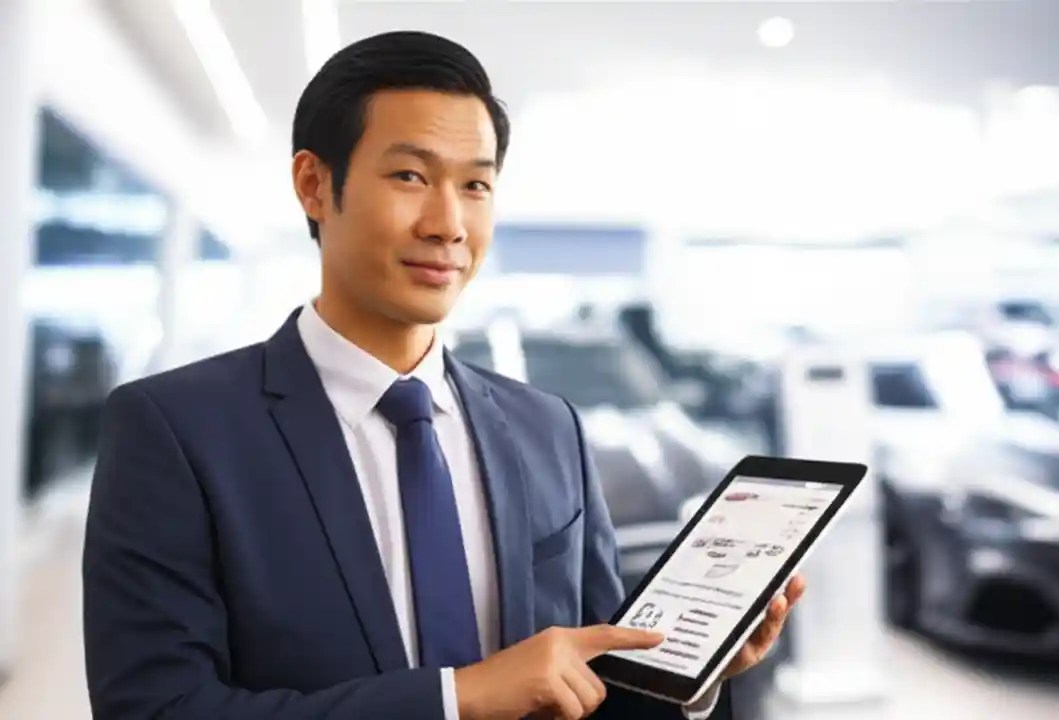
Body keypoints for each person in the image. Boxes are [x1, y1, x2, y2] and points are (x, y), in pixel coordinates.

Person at [82, 30, 805, 720]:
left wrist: (688, 674)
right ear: (313, 184)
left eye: (476, 187)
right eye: (410, 176)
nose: (448, 224)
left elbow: (583, 685)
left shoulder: (547, 427)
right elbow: (156, 707)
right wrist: (458, 701)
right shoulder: (175, 430)